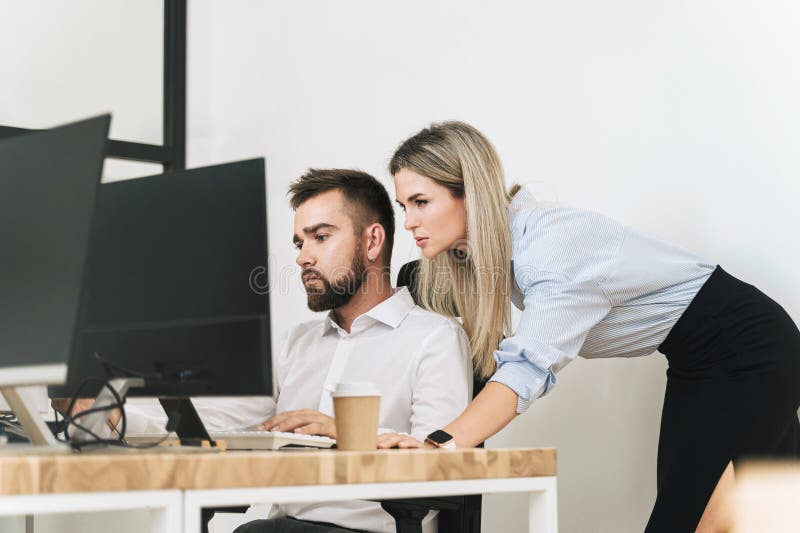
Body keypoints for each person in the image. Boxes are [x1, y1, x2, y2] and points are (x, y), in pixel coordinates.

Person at [376, 121, 800, 532]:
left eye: (421, 202)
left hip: (748, 352)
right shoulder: (505, 252)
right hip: (702, 360)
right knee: (762, 519)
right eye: (403, 206)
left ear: (470, 194)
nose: (409, 221)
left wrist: (436, 445)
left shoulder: (550, 250)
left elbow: (525, 370)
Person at [61, 169, 472, 533]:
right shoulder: (300, 342)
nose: (302, 257)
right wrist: (109, 413)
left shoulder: (434, 338)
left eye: (321, 237)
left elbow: (438, 461)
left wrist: (346, 434)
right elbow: (222, 422)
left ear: (373, 241)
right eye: (299, 242)